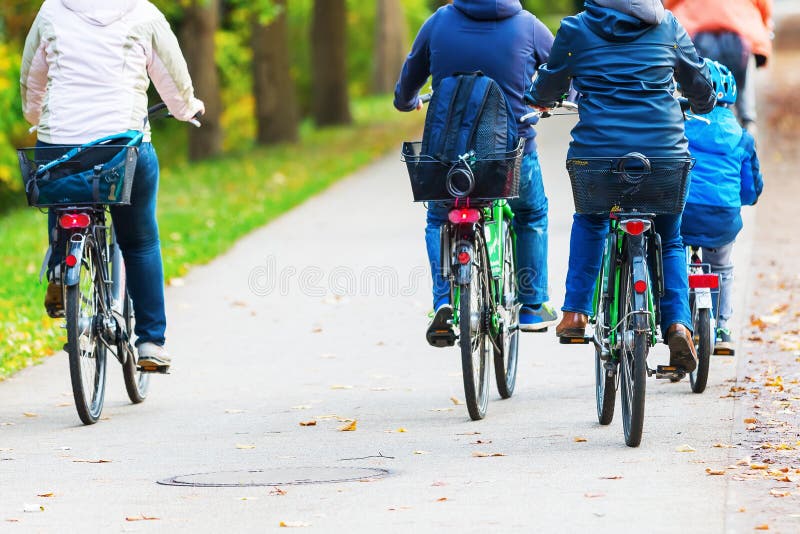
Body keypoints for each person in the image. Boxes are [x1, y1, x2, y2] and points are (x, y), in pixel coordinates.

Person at [527, 0, 716, 372]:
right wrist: (704, 100)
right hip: (664, 156)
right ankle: (678, 323)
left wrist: (541, 99)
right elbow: (699, 83)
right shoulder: (669, 27)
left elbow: (548, 84)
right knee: (671, 236)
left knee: (592, 219)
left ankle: (576, 313)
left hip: (598, 158)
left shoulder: (576, 29)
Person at [21, 0, 205, 371]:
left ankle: (60, 264)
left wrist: (35, 115)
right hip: (122, 147)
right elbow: (172, 76)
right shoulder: (144, 13)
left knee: (62, 189)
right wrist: (187, 109)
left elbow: (32, 77)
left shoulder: (52, 10)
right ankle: (151, 342)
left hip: (60, 145)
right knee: (139, 242)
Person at [394, 0, 559, 342]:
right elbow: (561, 73)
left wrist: (408, 100)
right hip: (510, 158)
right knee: (531, 213)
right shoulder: (528, 26)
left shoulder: (439, 22)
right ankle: (531, 304)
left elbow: (408, 82)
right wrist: (552, 99)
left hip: (448, 160)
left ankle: (444, 301)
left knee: (439, 219)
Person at [680, 60, 763, 355]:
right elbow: (751, 186)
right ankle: (724, 327)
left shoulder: (681, 125)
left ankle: (677, 320)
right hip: (722, 216)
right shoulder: (742, 137)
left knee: (673, 254)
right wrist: (744, 199)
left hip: (684, 211)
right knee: (723, 266)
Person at [663, 0, 774, 135]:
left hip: (697, 28)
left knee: (697, 90)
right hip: (740, 29)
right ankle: (748, 122)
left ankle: (693, 133)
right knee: (741, 84)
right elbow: (764, 6)